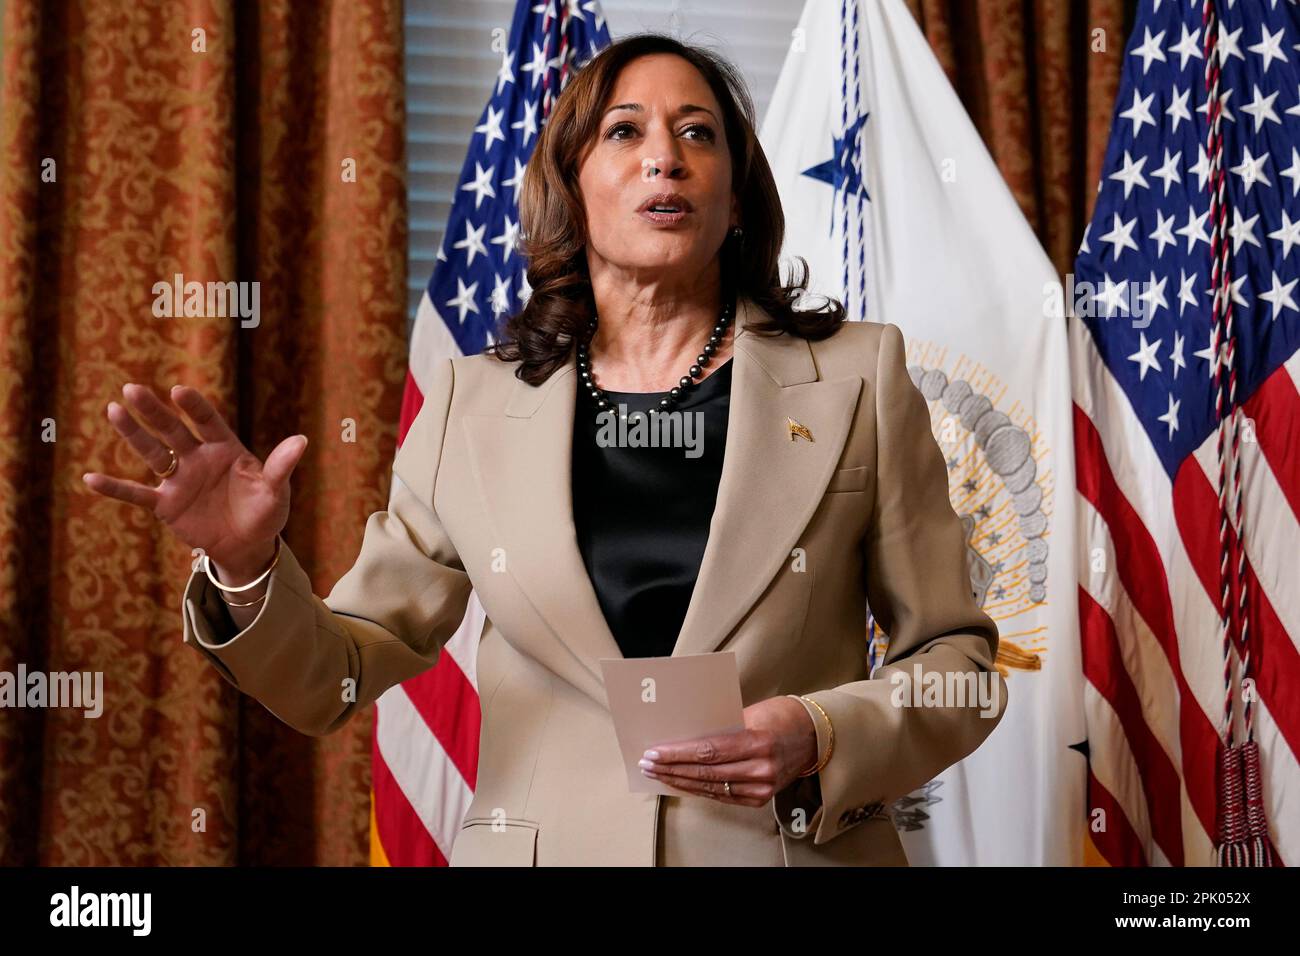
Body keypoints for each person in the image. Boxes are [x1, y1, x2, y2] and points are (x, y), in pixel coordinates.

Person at [83, 33, 1006, 866]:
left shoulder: (857, 376)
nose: (664, 157)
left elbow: (958, 666)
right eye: (624, 132)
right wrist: (247, 564)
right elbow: (340, 672)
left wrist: (822, 730)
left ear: (734, 200)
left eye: (698, 133)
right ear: (571, 186)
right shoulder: (470, 405)